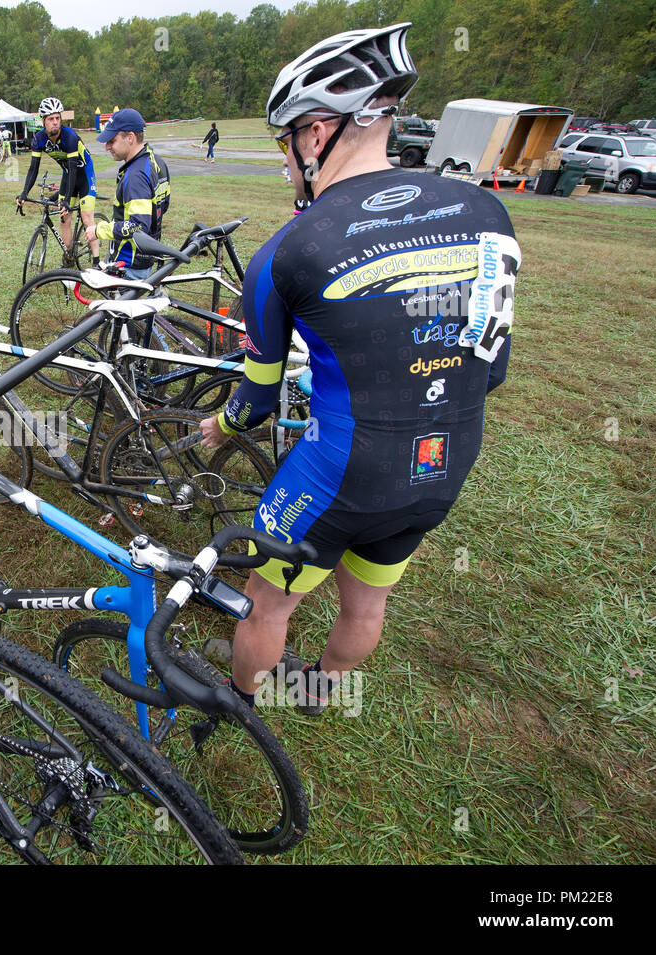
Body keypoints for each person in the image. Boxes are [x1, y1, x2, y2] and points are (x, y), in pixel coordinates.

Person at [196, 22, 519, 715]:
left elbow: (254, 400)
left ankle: (240, 701)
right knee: (367, 598)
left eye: (285, 143)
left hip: (338, 466)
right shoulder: (488, 211)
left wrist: (220, 429)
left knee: (265, 603)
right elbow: (490, 370)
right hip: (446, 458)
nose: (287, 161)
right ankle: (324, 688)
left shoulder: (285, 250)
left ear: (316, 133)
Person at [16, 96, 102, 266]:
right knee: (64, 219)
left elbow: (73, 170)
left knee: (86, 218)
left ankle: (97, 262)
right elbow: (33, 169)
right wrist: (24, 193)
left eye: (57, 118)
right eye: (50, 119)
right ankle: (69, 258)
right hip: (68, 175)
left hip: (84, 174)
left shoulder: (70, 137)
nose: (55, 122)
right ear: (43, 121)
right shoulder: (39, 139)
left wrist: (67, 200)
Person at [89, 108, 170, 280]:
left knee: (115, 307)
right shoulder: (156, 161)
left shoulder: (135, 175)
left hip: (129, 264)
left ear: (130, 138)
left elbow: (138, 226)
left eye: (112, 140)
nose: (107, 147)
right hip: (145, 258)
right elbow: (163, 205)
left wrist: (99, 230)